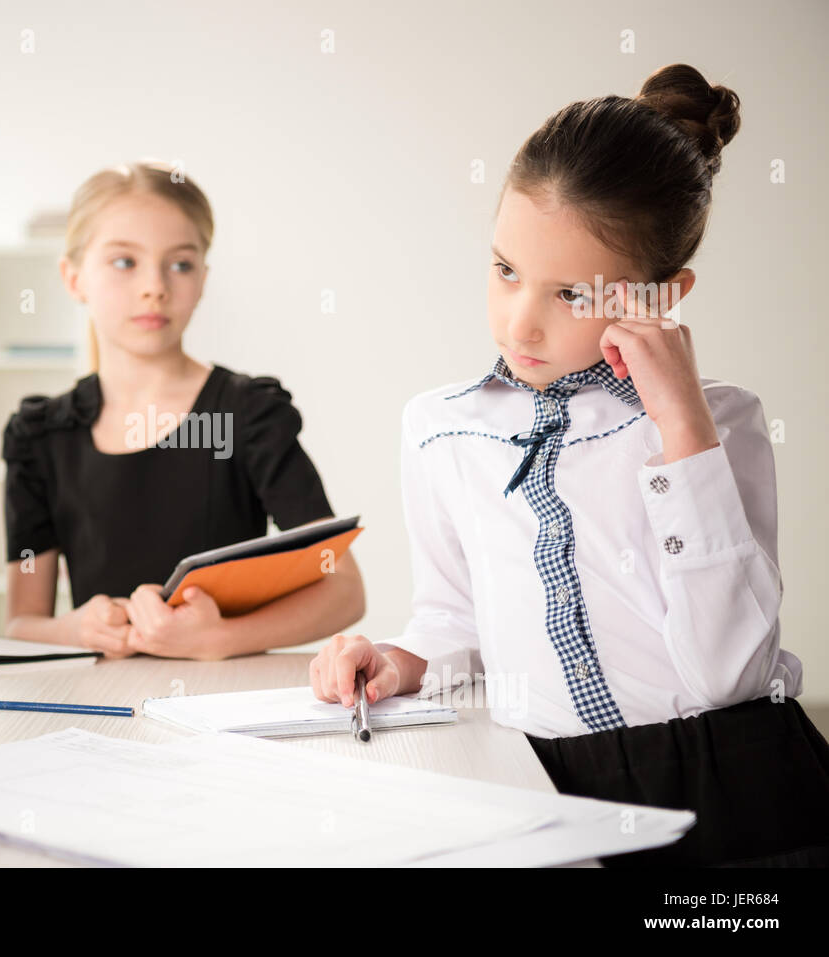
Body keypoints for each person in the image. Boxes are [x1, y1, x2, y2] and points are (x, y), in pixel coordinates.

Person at [310, 64, 829, 866]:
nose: (521, 320)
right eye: (506, 270)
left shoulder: (720, 420)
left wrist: (680, 422)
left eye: (572, 295)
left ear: (662, 297)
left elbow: (733, 675)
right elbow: (455, 615)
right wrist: (399, 660)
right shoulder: (440, 428)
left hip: (734, 787)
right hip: (542, 782)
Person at [2, 161, 364, 660]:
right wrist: (75, 629)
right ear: (74, 277)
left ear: (203, 278)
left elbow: (344, 587)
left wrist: (220, 639)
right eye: (125, 262)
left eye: (180, 264)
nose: (155, 286)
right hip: (99, 712)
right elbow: (22, 621)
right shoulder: (40, 435)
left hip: (224, 705)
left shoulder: (247, 415)